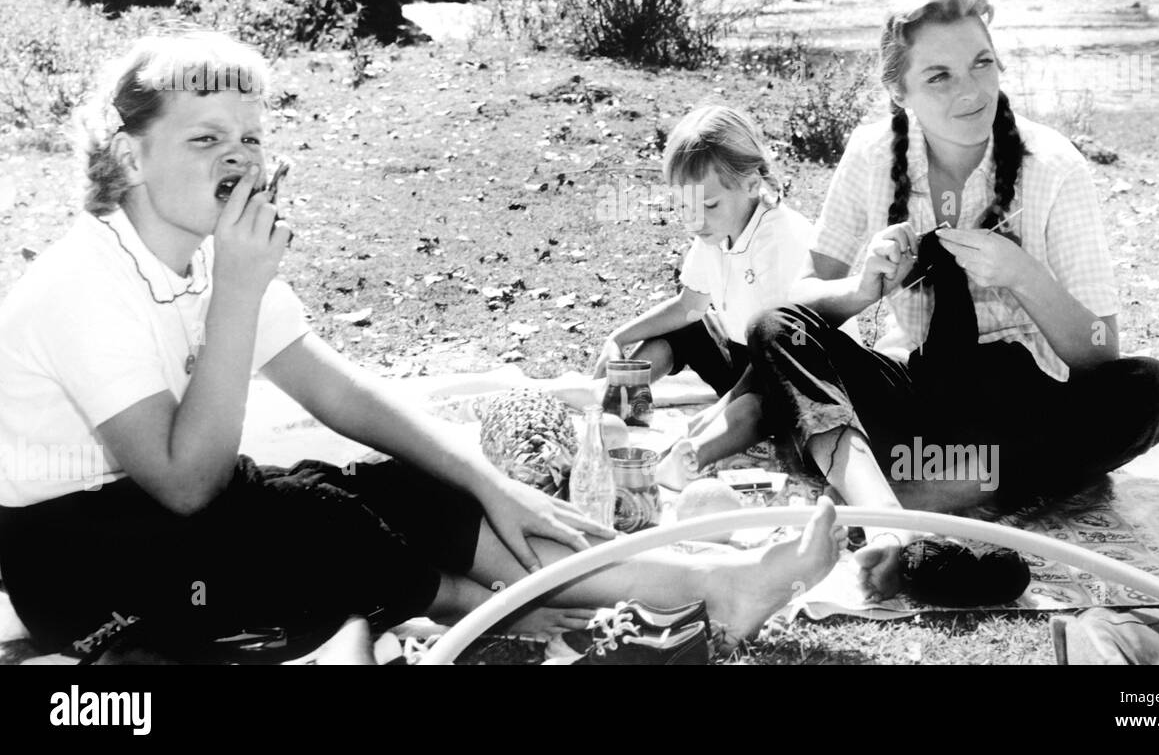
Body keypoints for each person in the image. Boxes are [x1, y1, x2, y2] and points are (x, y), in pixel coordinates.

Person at [0, 33, 844, 662]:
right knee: (315, 522)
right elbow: (186, 486)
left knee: (416, 488)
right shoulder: (87, 280)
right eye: (205, 138)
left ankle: (705, 581)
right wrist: (238, 301)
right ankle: (502, 606)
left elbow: (342, 396)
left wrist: (490, 482)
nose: (240, 158)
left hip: (192, 522)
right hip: (77, 562)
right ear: (130, 157)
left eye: (250, 137)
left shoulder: (212, 254)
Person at [739, 0, 1159, 602]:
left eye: (982, 64)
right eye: (938, 77)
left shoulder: (1051, 166)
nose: (971, 91)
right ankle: (883, 516)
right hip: (915, 392)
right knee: (774, 330)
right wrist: (861, 291)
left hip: (1018, 406)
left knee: (1150, 390)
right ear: (899, 91)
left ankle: (928, 485)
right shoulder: (871, 155)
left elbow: (1098, 352)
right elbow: (801, 299)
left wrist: (1020, 275)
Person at [587, 105, 857, 490]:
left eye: (708, 205)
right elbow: (689, 305)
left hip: (804, 373)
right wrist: (619, 337)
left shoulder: (782, 243)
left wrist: (721, 406)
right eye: (684, 207)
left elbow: (776, 352)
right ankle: (616, 402)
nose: (695, 221)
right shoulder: (714, 230)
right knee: (687, 329)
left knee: (755, 407)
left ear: (751, 183)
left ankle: (686, 457)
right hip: (748, 356)